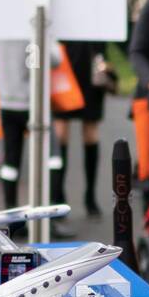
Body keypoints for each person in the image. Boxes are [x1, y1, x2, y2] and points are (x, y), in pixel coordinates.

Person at [0, 39, 71, 237]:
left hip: (6, 100)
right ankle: (50, 219)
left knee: (11, 162)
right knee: (53, 158)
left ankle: (11, 221)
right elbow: (54, 58)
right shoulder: (31, 27)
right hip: (33, 102)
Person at [52, 40, 114, 218]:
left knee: (90, 134)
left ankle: (90, 196)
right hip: (64, 66)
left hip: (93, 68)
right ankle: (57, 196)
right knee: (61, 134)